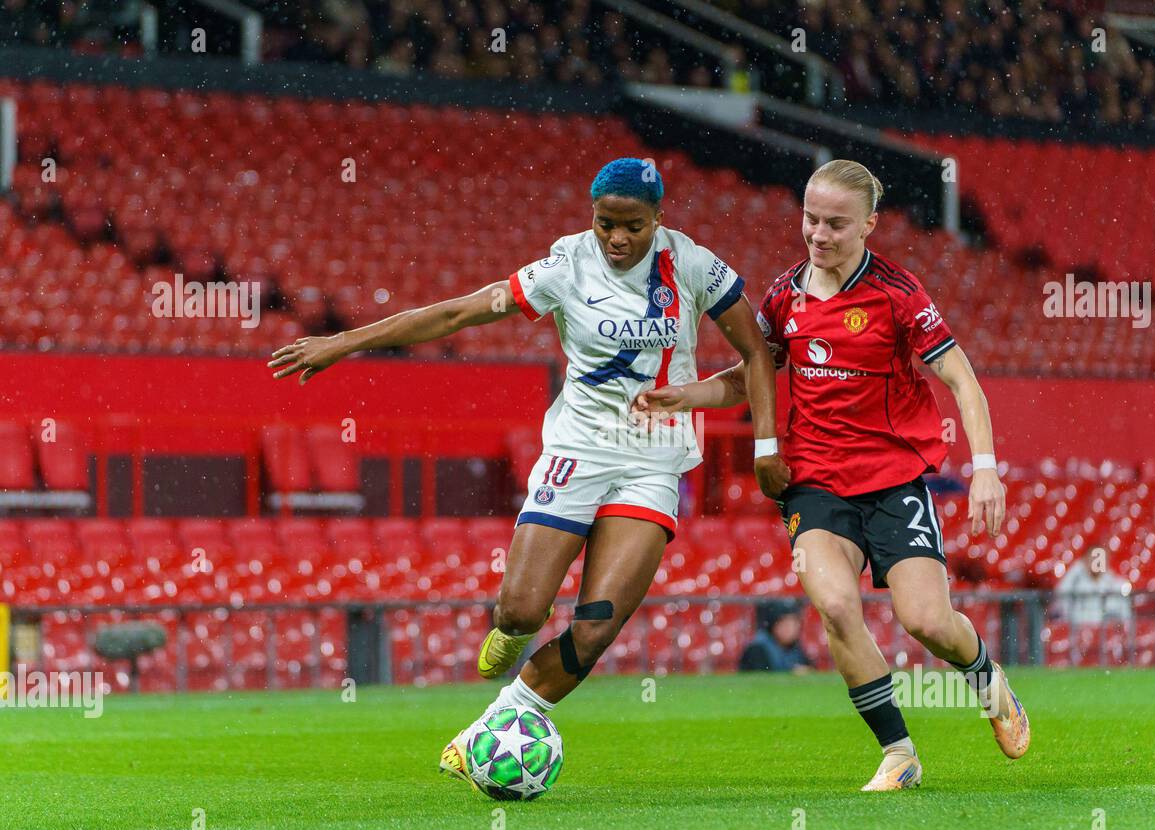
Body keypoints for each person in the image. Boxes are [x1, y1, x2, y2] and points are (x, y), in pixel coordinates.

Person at [269, 157, 785, 791]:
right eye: (605, 224)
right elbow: (459, 314)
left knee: (596, 627)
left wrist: (765, 444)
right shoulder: (564, 265)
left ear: (659, 219)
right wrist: (343, 342)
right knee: (520, 610)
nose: (618, 239)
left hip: (654, 461)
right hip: (577, 451)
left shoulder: (697, 266)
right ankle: (511, 634)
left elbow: (756, 352)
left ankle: (488, 728)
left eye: (633, 226)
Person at [636, 159, 1029, 792]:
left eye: (836, 224)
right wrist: (682, 396)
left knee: (927, 620)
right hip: (814, 481)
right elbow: (749, 376)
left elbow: (962, 379)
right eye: (810, 219)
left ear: (870, 224)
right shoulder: (784, 295)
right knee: (837, 605)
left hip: (894, 480)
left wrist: (986, 470)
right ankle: (899, 753)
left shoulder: (899, 294)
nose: (818, 234)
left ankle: (986, 679)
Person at [1054, 548, 1133, 627]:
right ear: (1085, 561)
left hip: (1107, 634)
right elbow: (1060, 595)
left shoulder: (1117, 584)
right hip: (1081, 632)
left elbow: (1126, 617)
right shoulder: (1077, 585)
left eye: (1100, 558)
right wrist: (1078, 566)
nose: (1097, 562)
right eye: (1093, 558)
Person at [739, 600, 812, 673]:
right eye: (784, 623)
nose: (789, 629)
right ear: (773, 625)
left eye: (794, 623)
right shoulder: (757, 649)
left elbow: (811, 669)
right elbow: (760, 678)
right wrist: (791, 673)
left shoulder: (796, 649)